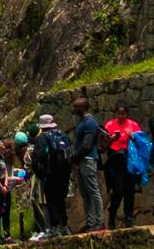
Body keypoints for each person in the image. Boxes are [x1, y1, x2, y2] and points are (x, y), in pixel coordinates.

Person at [29, 114, 72, 239]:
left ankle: (54, 227)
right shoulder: (62, 135)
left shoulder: (42, 138)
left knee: (51, 200)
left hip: (50, 174)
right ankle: (64, 226)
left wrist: (41, 173)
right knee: (61, 200)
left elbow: (38, 157)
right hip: (64, 174)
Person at [69, 97, 107, 232]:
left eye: (76, 107)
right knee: (85, 193)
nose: (74, 110)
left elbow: (87, 144)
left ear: (83, 108)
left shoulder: (90, 123)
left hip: (88, 159)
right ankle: (90, 221)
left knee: (93, 191)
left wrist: (74, 157)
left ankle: (100, 221)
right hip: (81, 160)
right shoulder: (82, 122)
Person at [102, 109, 144, 231]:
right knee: (118, 190)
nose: (121, 116)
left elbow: (141, 142)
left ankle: (129, 217)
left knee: (130, 190)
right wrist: (112, 139)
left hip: (129, 160)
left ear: (127, 114)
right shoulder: (110, 125)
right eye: (118, 114)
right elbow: (104, 144)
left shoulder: (133, 125)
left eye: (123, 114)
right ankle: (112, 216)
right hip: (114, 161)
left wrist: (132, 136)